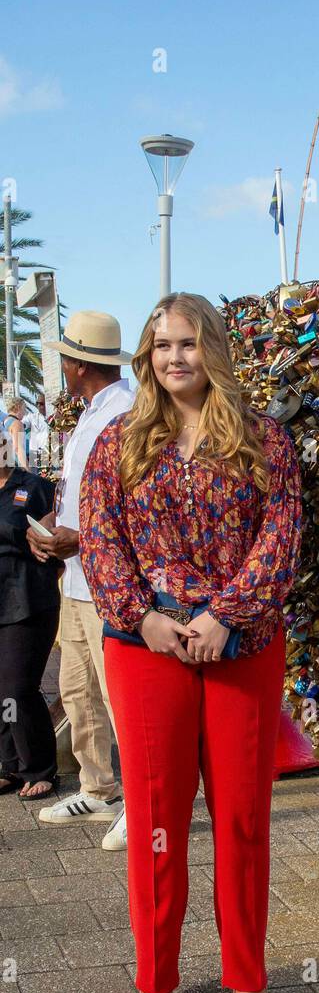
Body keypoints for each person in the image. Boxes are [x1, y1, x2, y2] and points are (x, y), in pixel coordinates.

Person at [79, 292, 302, 993]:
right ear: (146, 356)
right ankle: (156, 977)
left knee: (242, 818)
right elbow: (101, 540)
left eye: (188, 343)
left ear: (214, 349)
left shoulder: (265, 440)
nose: (175, 357)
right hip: (145, 649)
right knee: (154, 818)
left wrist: (221, 616)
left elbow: (280, 540)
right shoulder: (119, 442)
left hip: (240, 647)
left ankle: (247, 971)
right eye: (162, 344)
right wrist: (142, 616)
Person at [26, 312, 136, 850]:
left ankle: (144, 804)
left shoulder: (127, 414)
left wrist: (82, 539)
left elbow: (134, 501)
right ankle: (99, 788)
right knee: (77, 688)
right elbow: (77, 492)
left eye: (64, 356)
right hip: (74, 577)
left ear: (76, 364)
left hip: (106, 580)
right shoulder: (93, 412)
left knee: (121, 697)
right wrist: (50, 525)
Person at [0, 426, 61, 797]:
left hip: (29, 601)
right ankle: (10, 766)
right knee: (2, 692)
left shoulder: (33, 487)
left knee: (17, 687)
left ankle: (40, 769)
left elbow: (58, 542)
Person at [2, 395, 29, 469]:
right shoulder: (17, 423)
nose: (25, 412)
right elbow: (18, 448)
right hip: (17, 466)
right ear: (18, 407)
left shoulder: (5, 421)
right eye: (24, 408)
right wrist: (27, 469)